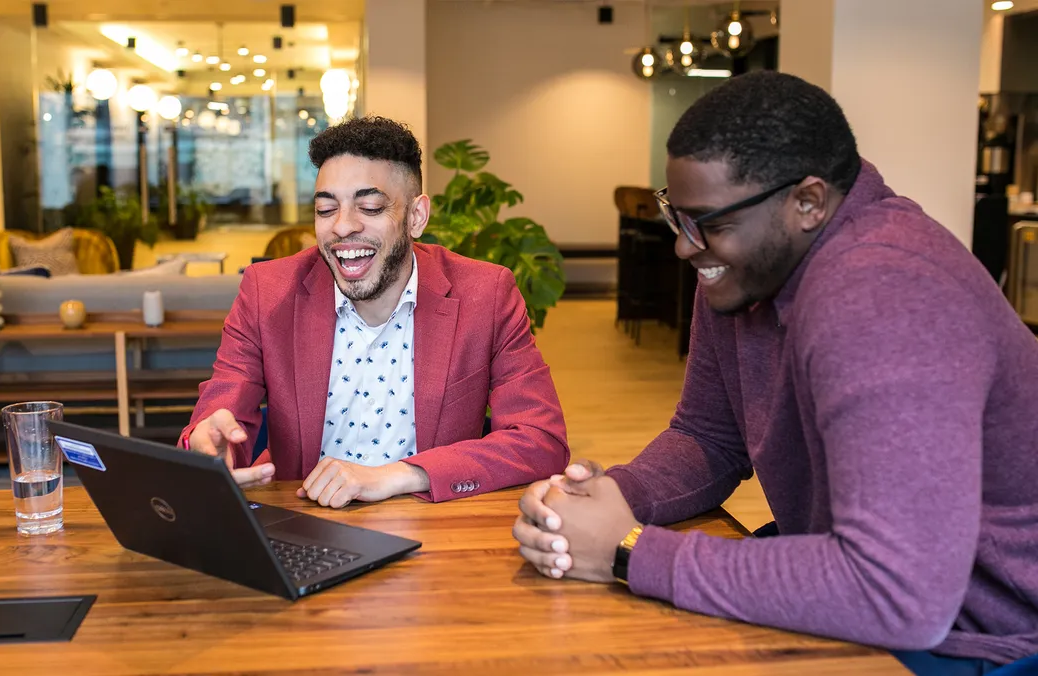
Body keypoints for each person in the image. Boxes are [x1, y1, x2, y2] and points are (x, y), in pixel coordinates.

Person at [512, 71, 1038, 674]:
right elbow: (707, 436)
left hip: (985, 639)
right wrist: (599, 505)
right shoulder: (747, 267)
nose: (685, 247)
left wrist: (629, 551)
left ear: (808, 203)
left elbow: (899, 596)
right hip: (868, 591)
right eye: (676, 216)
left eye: (710, 222)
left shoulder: (883, 295)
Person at [182, 115, 569, 508]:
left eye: (368, 207)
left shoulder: (486, 295)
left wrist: (398, 476)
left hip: (434, 527)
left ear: (416, 217)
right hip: (304, 520)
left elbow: (540, 439)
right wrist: (210, 442)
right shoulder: (267, 291)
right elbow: (222, 407)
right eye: (326, 209)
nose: (343, 227)